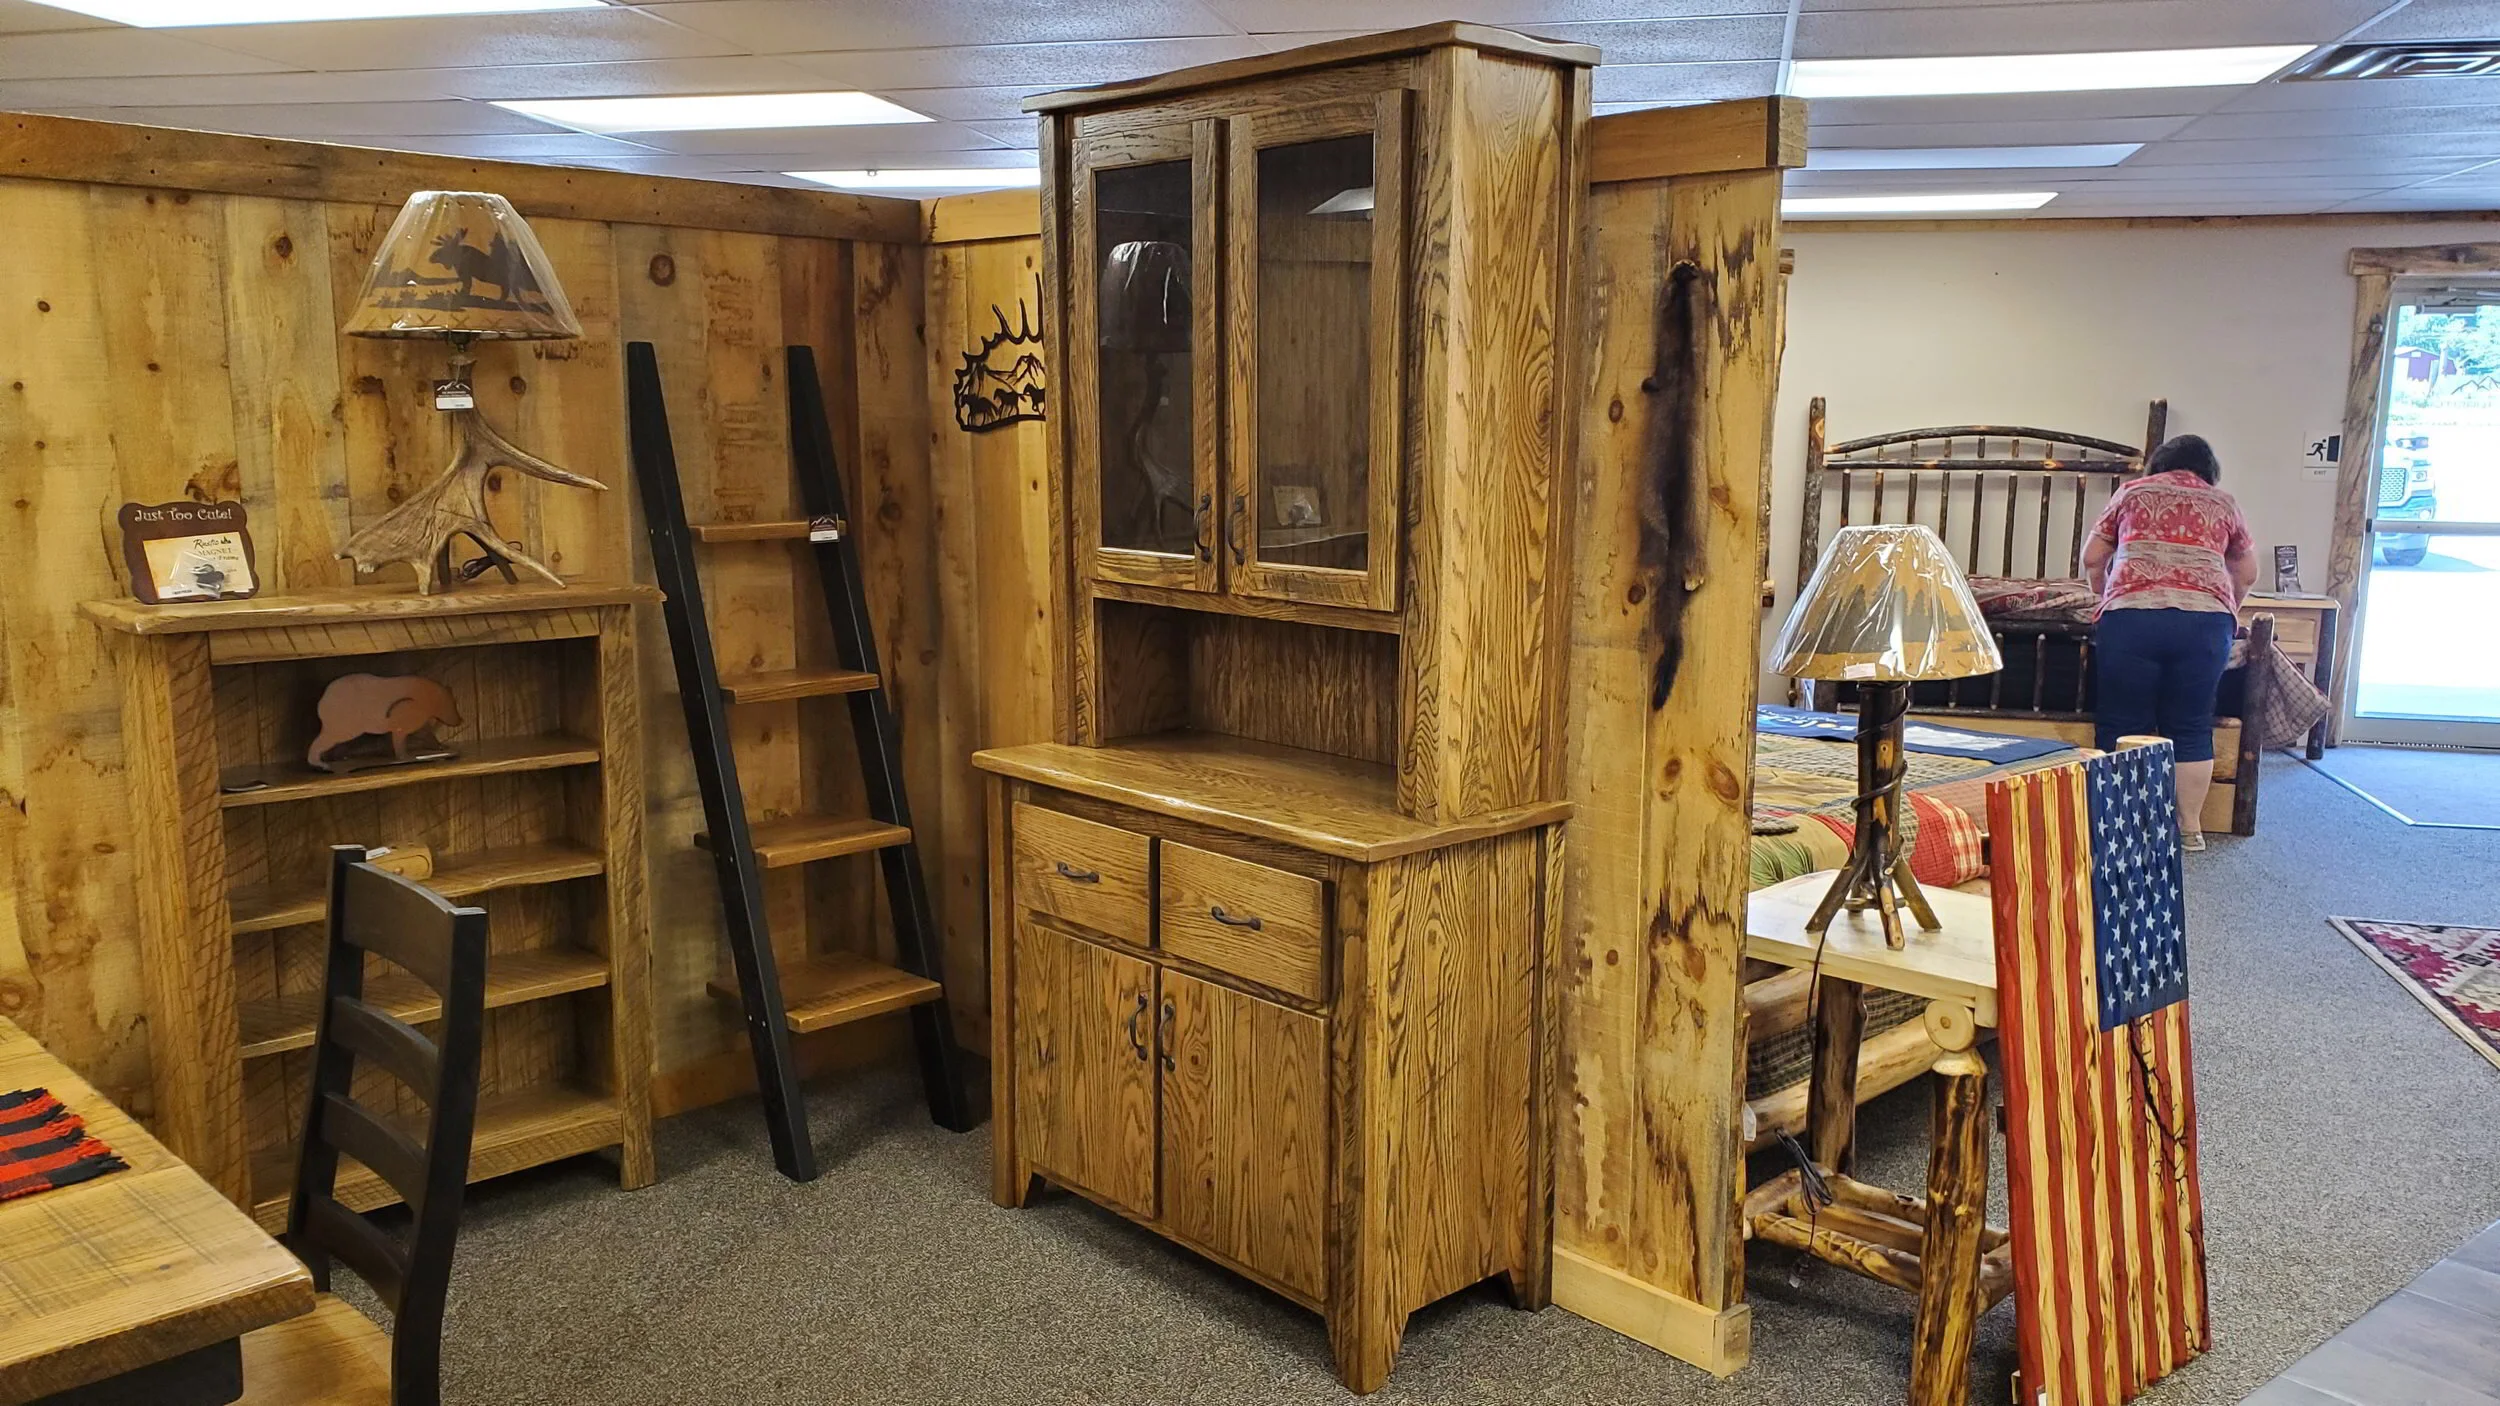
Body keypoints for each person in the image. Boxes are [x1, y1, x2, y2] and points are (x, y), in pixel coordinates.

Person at [2083, 434, 2258, 851]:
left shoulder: (2131, 493)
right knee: (2192, 723)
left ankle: (2122, 828)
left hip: (2132, 618)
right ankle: (2189, 828)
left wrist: (2101, 593)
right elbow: (2246, 572)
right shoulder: (2223, 502)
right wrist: (2226, 605)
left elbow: (2093, 558)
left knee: (2123, 722)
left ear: (2158, 464)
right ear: (2208, 470)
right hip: (2205, 623)